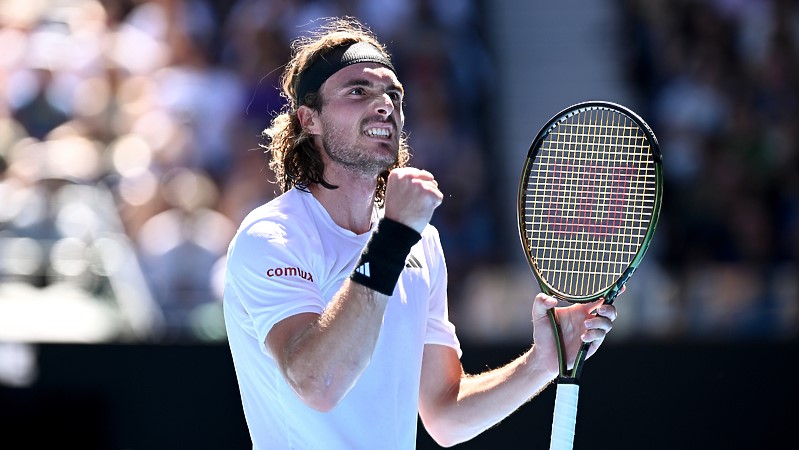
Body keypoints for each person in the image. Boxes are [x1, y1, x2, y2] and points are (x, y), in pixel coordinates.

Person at [223, 17, 617, 449]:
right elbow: (318, 383)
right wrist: (392, 236)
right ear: (309, 119)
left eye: (393, 94)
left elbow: (445, 414)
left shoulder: (420, 241)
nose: (385, 105)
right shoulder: (272, 236)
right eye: (358, 91)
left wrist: (540, 363)